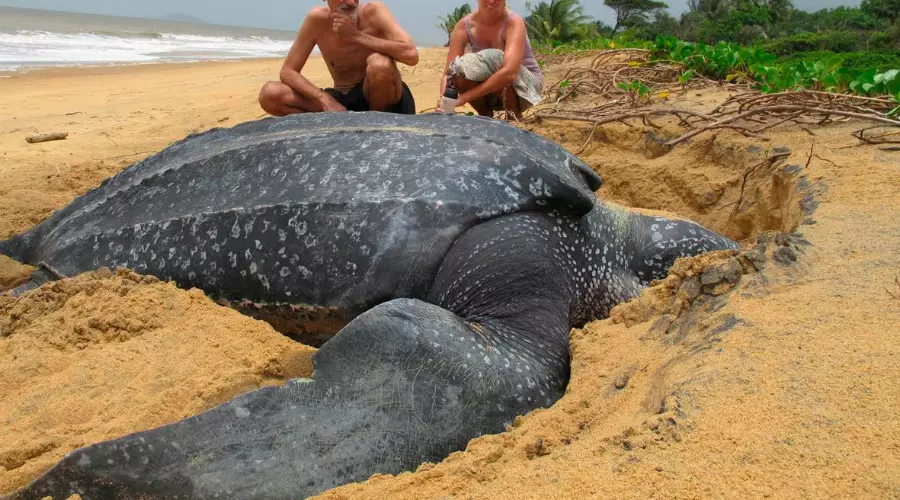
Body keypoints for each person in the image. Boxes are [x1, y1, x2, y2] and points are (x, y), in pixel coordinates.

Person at [259, 0, 418, 116]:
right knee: (270, 94)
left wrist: (355, 36)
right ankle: (344, 122)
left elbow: (411, 55)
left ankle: (375, 123)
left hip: (386, 99)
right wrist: (323, 99)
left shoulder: (375, 11)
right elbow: (288, 71)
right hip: (343, 102)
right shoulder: (317, 20)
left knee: (379, 64)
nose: (350, 2)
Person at [438, 0, 543, 120]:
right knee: (458, 69)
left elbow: (509, 73)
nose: (492, 1)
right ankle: (485, 114)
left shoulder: (513, 21)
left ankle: (513, 115)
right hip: (490, 92)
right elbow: (448, 73)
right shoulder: (464, 26)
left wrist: (463, 98)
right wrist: (444, 101)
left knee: (495, 57)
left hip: (526, 90)